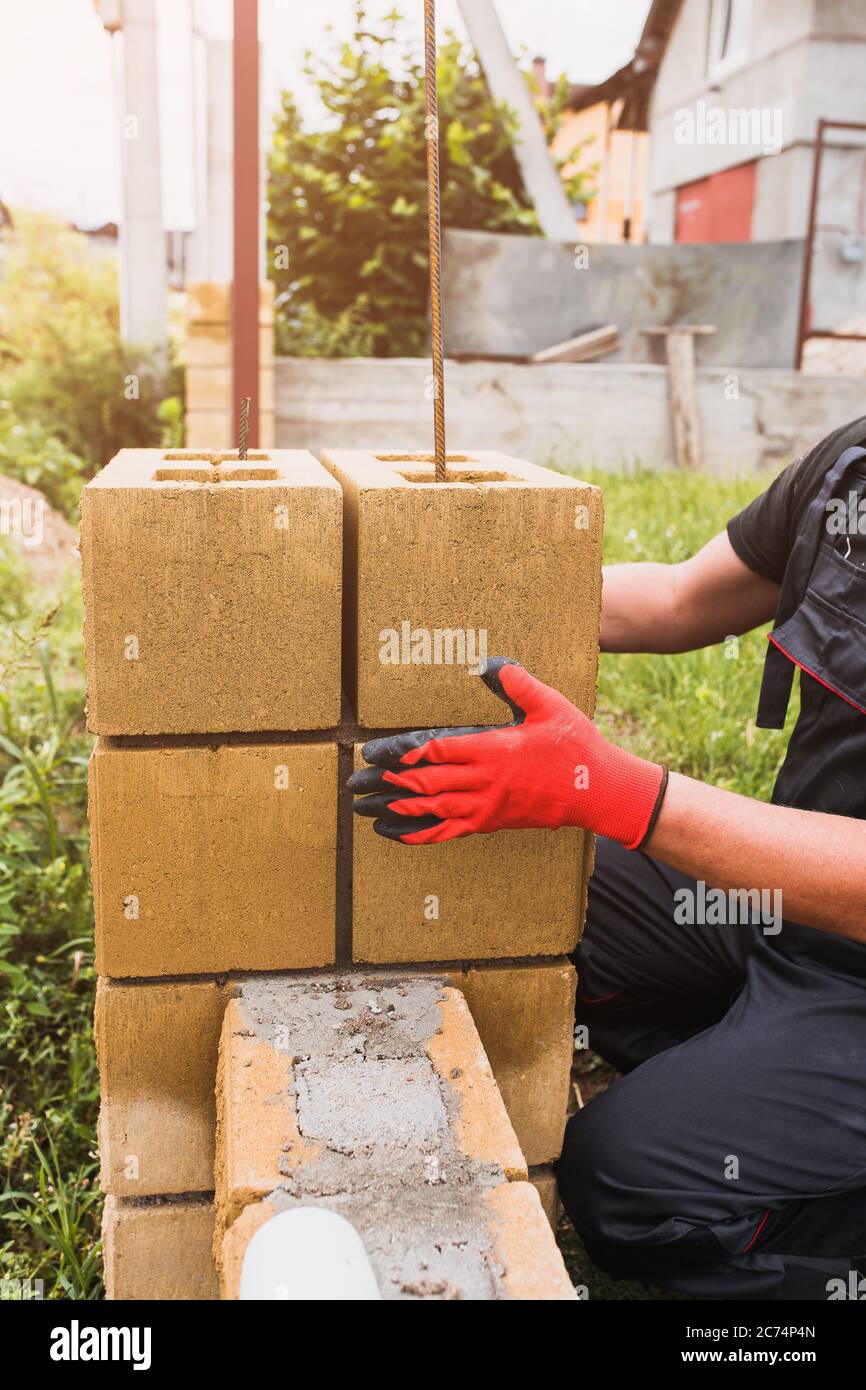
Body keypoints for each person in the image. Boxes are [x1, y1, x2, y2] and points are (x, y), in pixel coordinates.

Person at [349, 416, 866, 1300]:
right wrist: (432, 612)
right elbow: (678, 598)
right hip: (790, 904)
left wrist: (612, 790)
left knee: (625, 1181)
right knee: (539, 892)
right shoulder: (852, 470)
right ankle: (751, 1055)